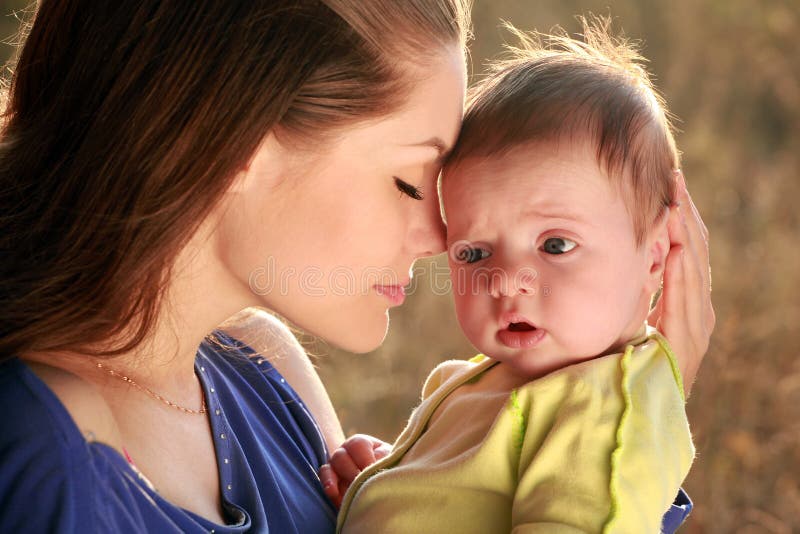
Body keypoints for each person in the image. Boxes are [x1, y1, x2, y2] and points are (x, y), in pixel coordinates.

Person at [0, 2, 713, 533]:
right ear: (238, 145)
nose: (442, 237)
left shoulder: (265, 366)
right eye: (410, 181)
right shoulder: (50, 455)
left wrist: (625, 404)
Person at [324, 20, 710, 534]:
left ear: (656, 257)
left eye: (555, 245)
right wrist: (394, 486)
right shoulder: (484, 382)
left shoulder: (602, 412)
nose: (505, 281)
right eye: (476, 252)